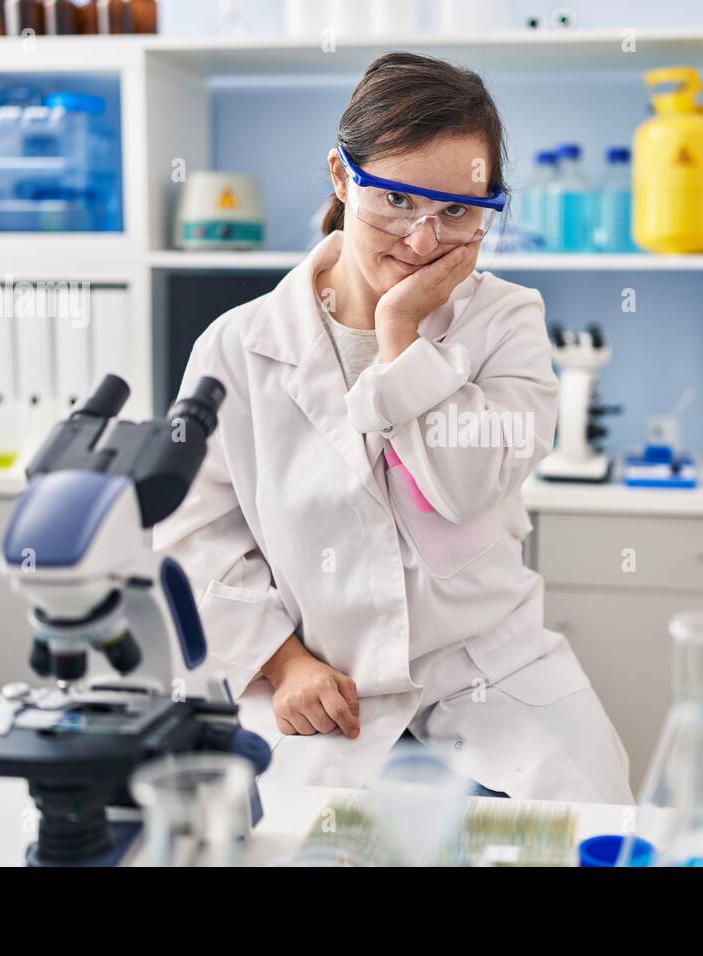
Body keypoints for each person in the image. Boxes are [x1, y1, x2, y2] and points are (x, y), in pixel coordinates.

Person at [155, 52, 631, 803]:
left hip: (492, 676)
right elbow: (196, 536)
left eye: (456, 213)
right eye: (398, 203)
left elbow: (463, 487)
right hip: (326, 688)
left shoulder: (507, 322)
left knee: (586, 827)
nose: (422, 242)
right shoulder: (236, 347)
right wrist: (284, 663)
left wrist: (401, 333)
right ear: (343, 179)